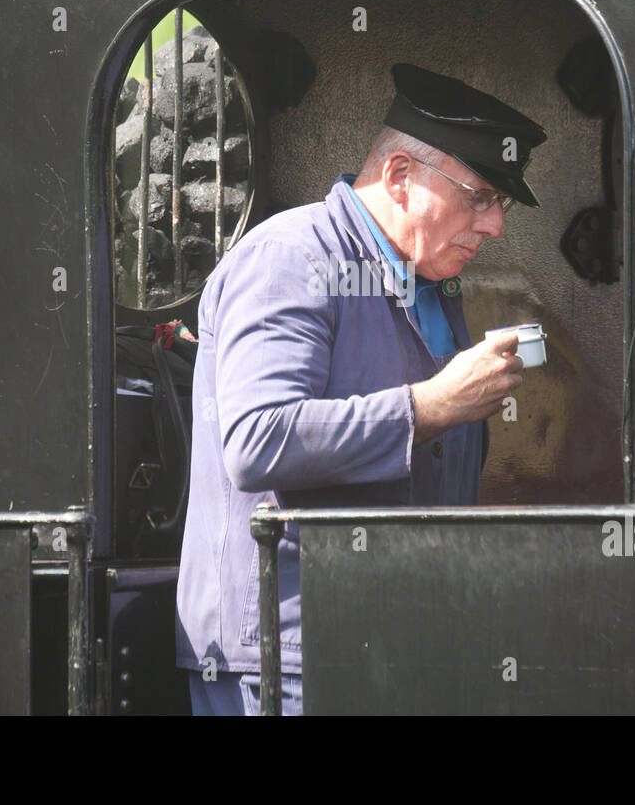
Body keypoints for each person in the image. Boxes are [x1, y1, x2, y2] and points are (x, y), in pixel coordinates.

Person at [175, 63, 548, 715]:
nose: (494, 227)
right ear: (399, 176)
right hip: (289, 655)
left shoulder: (431, 283)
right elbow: (256, 440)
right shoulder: (291, 258)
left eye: (501, 205)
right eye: (480, 197)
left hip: (390, 641)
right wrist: (432, 405)